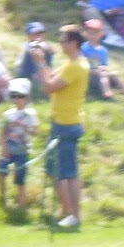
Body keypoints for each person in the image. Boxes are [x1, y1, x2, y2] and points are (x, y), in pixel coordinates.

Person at [29, 23, 89, 229]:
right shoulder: (73, 63)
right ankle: (69, 212)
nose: (61, 44)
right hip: (63, 122)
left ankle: (72, 214)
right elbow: (51, 78)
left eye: (63, 40)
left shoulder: (75, 66)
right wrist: (43, 63)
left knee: (65, 172)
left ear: (73, 43)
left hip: (67, 123)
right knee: (58, 170)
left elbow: (48, 87)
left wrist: (39, 62)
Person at [0, 77, 38, 206]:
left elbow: (36, 132)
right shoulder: (8, 115)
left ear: (26, 97)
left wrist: (29, 129)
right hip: (9, 148)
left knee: (20, 177)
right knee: (1, 170)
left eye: (19, 96)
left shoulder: (31, 114)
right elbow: (4, 133)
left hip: (22, 150)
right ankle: (3, 198)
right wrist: (4, 149)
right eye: (13, 96)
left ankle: (21, 203)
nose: (16, 99)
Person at [80, 17, 124, 97]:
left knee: (115, 74)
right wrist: (94, 71)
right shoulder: (83, 48)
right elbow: (81, 65)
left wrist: (103, 68)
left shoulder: (102, 50)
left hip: (100, 74)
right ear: (86, 33)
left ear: (101, 34)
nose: (92, 36)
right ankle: (107, 92)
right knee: (103, 74)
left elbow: (104, 64)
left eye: (95, 33)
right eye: (90, 33)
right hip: (89, 75)